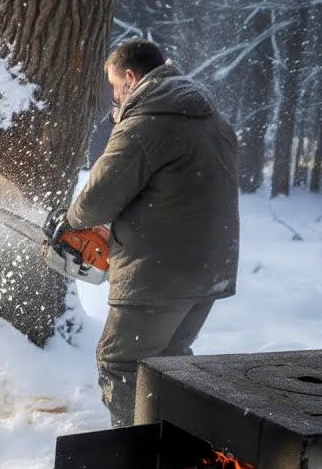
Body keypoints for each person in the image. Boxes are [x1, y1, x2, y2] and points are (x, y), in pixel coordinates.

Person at [64, 39, 239, 427]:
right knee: (170, 361)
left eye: (113, 86)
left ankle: (133, 458)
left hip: (159, 276)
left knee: (120, 363)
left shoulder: (145, 125)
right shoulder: (213, 120)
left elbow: (95, 201)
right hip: (211, 270)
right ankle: (172, 455)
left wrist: (71, 220)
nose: (114, 95)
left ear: (130, 77)